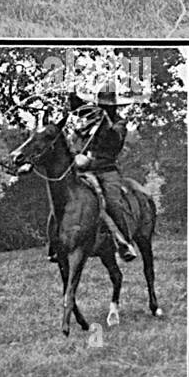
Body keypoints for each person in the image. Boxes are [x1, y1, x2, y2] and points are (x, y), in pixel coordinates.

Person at [70, 92, 139, 263]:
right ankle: (57, 243)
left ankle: (124, 243)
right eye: (101, 106)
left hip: (107, 171)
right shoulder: (92, 121)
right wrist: (73, 97)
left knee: (113, 202)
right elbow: (77, 111)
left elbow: (113, 141)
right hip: (85, 171)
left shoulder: (119, 124)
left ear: (113, 107)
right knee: (66, 198)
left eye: (107, 106)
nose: (104, 109)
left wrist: (103, 121)